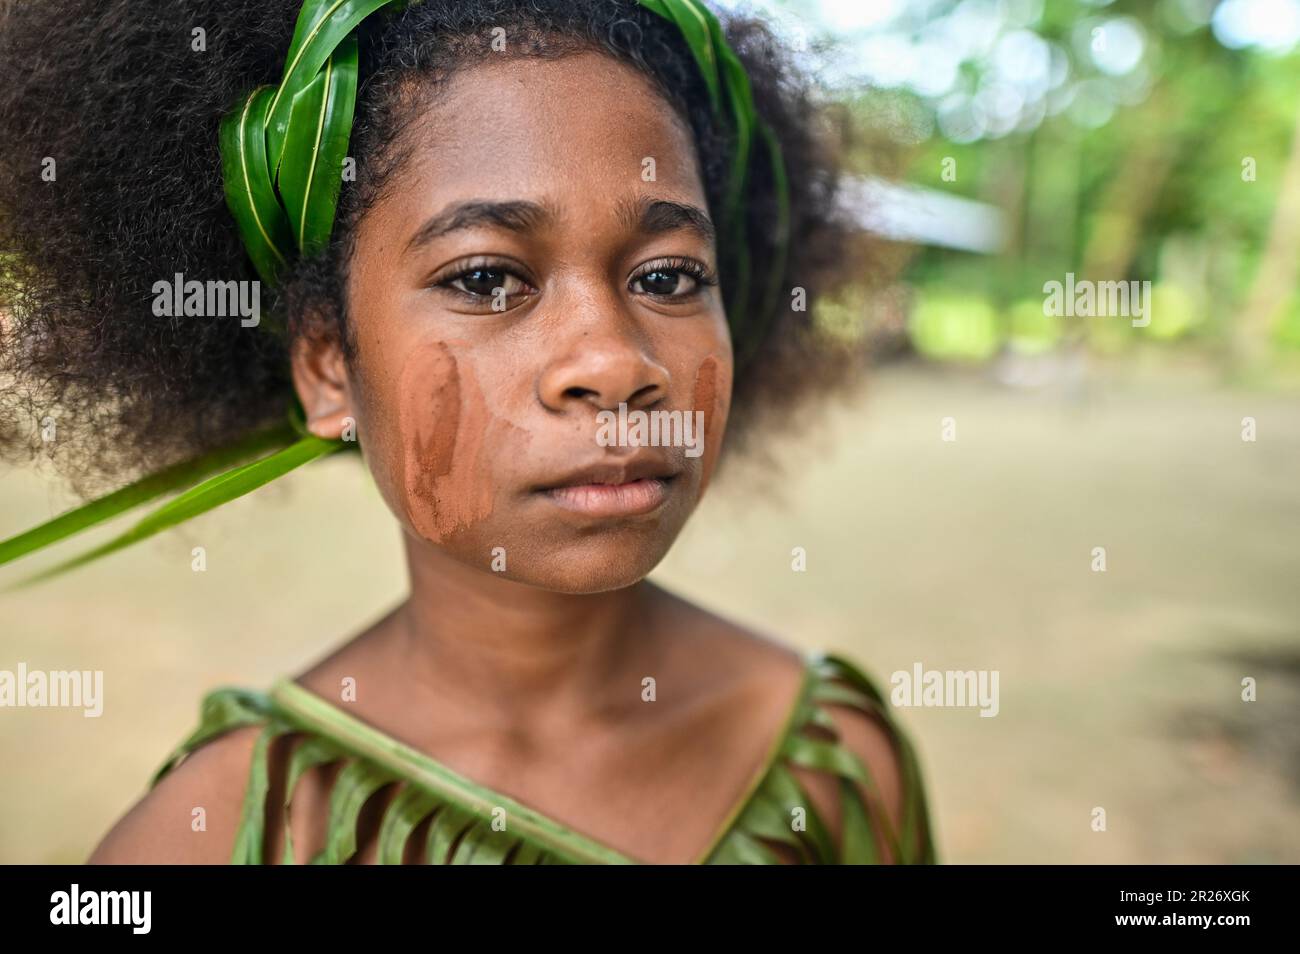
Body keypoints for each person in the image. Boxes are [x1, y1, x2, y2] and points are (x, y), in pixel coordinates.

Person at [0, 0, 937, 864]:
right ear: (330, 366)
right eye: (487, 279)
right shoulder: (219, 837)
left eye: (667, 277)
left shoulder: (837, 762)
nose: (613, 362)